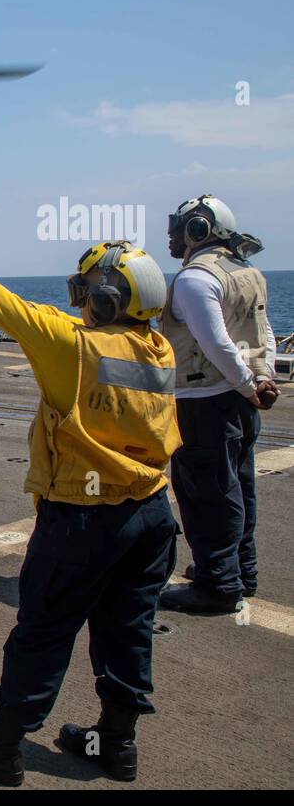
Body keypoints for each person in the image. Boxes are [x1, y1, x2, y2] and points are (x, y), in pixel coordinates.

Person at [0, 236, 181, 785]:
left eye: (85, 291)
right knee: (128, 630)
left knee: (43, 632)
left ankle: (1, 747)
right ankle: (117, 744)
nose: (79, 301)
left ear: (105, 297)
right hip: (151, 512)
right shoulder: (160, 349)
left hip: (82, 519)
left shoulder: (70, 345)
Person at [157, 196, 279, 613]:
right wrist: (262, 379)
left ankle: (217, 586)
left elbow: (217, 345)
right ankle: (241, 571)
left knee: (206, 496)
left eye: (178, 226)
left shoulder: (195, 279)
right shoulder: (247, 271)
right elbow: (264, 331)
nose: (170, 234)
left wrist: (248, 384)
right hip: (239, 403)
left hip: (203, 403)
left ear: (198, 229)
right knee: (239, 488)